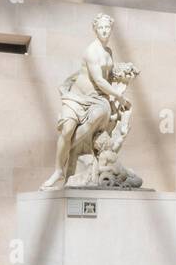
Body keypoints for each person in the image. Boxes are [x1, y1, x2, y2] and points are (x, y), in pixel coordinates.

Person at [40, 13, 131, 190]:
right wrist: (119, 97)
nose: (104, 31)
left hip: (98, 99)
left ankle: (72, 154)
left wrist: (124, 79)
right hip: (77, 97)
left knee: (94, 120)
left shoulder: (109, 52)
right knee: (66, 130)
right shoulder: (92, 51)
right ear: (95, 30)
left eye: (107, 28)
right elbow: (99, 80)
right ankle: (59, 170)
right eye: (101, 28)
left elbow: (108, 77)